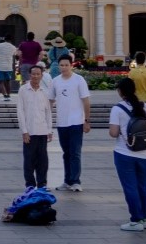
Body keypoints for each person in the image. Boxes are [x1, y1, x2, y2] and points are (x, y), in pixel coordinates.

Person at [108, 77, 146, 232]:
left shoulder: (117, 109)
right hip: (145, 153)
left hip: (125, 153)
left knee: (130, 187)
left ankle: (135, 220)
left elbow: (113, 133)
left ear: (120, 91)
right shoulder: (145, 107)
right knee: (144, 186)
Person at [48, 55, 91, 191]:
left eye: (66, 65)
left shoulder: (79, 80)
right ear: (58, 66)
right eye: (62, 65)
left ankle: (76, 181)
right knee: (66, 153)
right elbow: (50, 101)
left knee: (75, 152)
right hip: (62, 123)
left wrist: (87, 120)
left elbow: (86, 101)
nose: (64, 67)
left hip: (76, 122)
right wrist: (47, 119)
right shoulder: (55, 81)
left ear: (71, 65)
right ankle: (67, 180)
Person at [16, 64, 52, 189]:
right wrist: (24, 131)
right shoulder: (23, 90)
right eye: (33, 74)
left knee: (43, 160)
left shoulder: (45, 91)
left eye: (38, 74)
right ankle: (30, 184)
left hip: (42, 131)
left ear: (42, 76)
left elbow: (48, 112)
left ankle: (42, 183)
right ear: (29, 75)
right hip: (29, 131)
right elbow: (20, 111)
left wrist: (50, 129)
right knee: (29, 160)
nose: (35, 76)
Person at [0, 34, 17, 100]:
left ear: (4, 39)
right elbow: (15, 56)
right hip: (9, 67)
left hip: (0, 66)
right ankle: (9, 95)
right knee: (8, 81)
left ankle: (4, 95)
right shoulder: (13, 47)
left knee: (1, 82)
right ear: (11, 40)